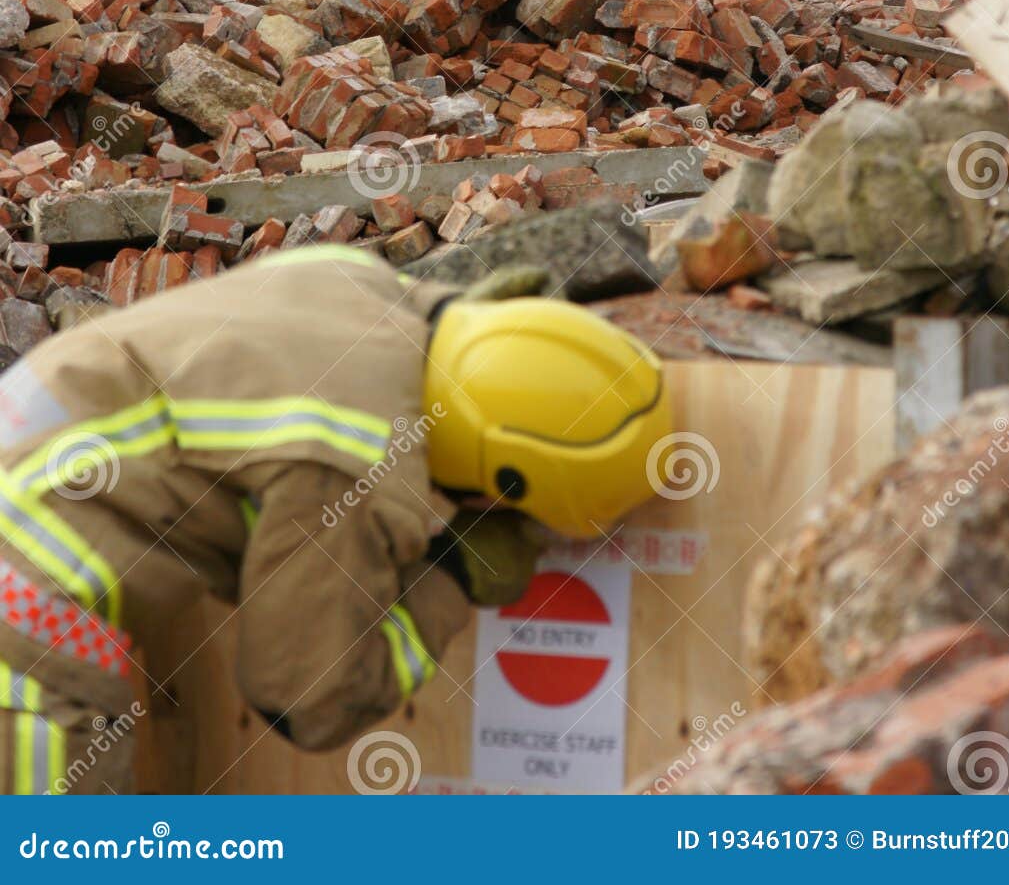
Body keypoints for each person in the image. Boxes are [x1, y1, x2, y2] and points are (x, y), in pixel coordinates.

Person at [0, 246, 671, 792]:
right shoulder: (352, 461)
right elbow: (304, 699)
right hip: (23, 612)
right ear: (496, 479)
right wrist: (456, 572)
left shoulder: (348, 276)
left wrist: (497, 331)